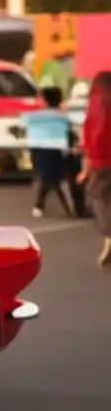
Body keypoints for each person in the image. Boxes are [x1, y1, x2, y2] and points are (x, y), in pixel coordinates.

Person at [23, 86, 75, 218]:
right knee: (55, 178)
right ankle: (68, 208)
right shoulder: (63, 118)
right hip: (57, 151)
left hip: (38, 150)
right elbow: (70, 134)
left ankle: (40, 206)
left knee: (46, 177)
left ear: (44, 100)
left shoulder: (34, 117)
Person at [76, 71, 111, 267]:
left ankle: (109, 235)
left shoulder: (98, 101)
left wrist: (85, 167)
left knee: (101, 198)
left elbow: (91, 133)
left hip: (103, 160)